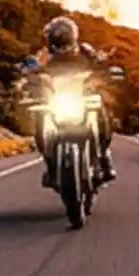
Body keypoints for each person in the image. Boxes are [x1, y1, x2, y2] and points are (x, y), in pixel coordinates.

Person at [34, 15, 117, 187]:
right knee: (40, 118)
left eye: (65, 38)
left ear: (73, 37)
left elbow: (99, 62)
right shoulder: (44, 55)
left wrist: (103, 66)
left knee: (102, 110)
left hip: (82, 94)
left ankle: (104, 157)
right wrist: (29, 74)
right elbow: (34, 68)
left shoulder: (85, 50)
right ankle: (50, 165)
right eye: (58, 39)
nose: (62, 43)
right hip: (57, 96)